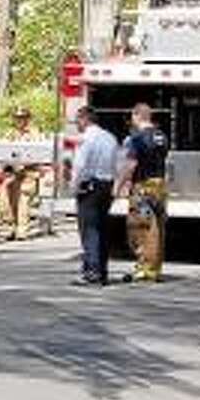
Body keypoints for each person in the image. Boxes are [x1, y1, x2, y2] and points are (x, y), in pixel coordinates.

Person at [117, 102, 170, 283]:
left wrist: (119, 185)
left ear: (137, 116)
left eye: (132, 117)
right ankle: (155, 268)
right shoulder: (161, 136)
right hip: (159, 186)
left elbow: (131, 164)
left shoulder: (137, 138)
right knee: (158, 229)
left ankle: (145, 269)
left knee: (140, 228)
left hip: (143, 186)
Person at [70, 106, 118, 285]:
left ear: (84, 120)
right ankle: (102, 271)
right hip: (107, 185)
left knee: (89, 230)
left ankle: (92, 272)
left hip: (89, 186)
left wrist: (74, 186)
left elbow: (80, 165)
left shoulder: (86, 139)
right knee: (101, 229)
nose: (77, 125)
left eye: (77, 121)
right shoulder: (110, 137)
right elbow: (117, 163)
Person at [1, 106, 41, 241]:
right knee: (5, 198)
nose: (20, 120)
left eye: (23, 118)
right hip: (13, 174)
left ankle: (22, 230)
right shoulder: (10, 134)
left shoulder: (35, 134)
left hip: (29, 173)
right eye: (17, 118)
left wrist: (23, 166)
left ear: (28, 119)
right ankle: (9, 228)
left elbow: (38, 153)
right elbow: (3, 151)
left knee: (23, 199)